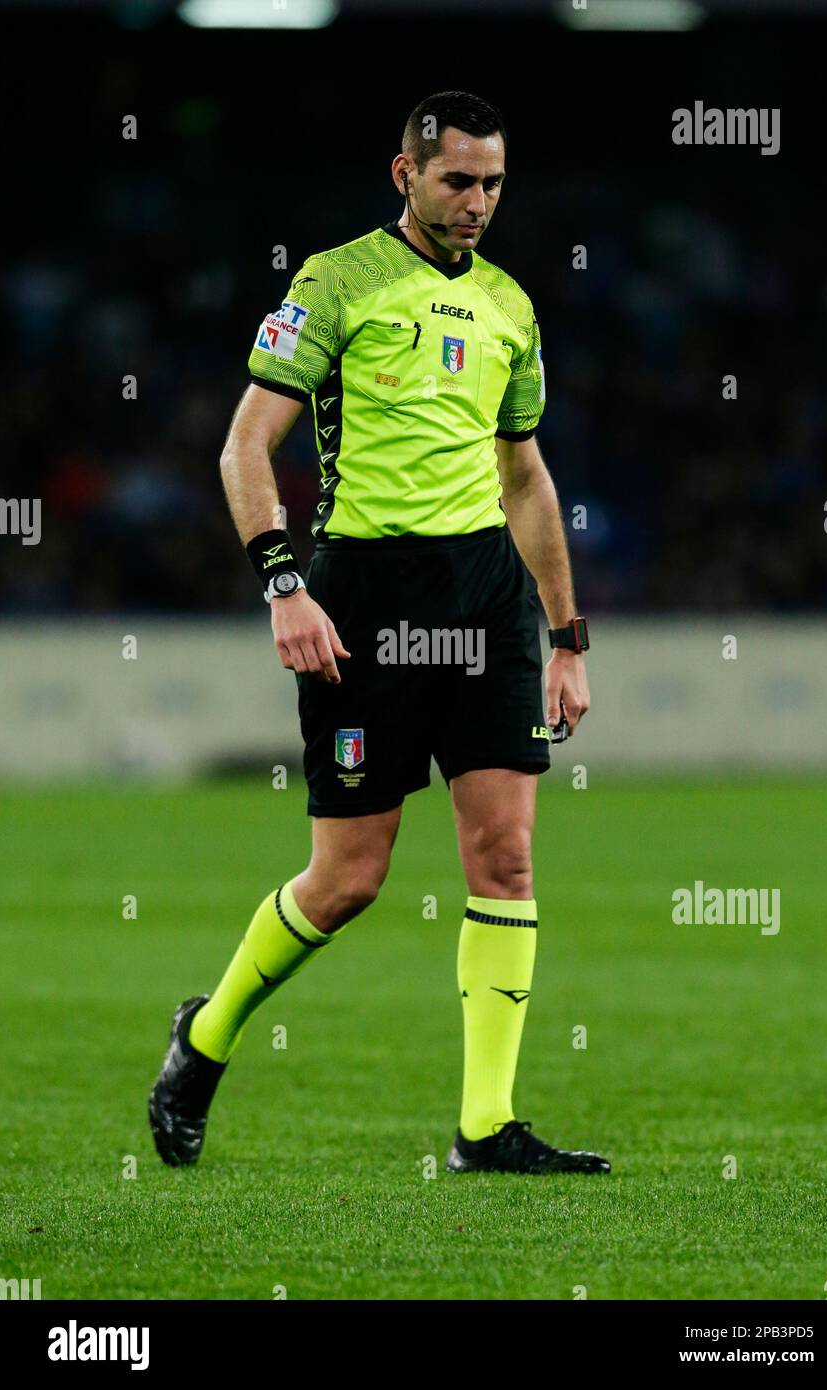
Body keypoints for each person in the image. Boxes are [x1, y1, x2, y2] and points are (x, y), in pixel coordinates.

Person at [149, 90, 610, 1177]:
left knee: (503, 855)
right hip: (363, 597)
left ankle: (485, 1127)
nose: (478, 203)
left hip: (486, 596)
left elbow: (525, 476)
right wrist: (283, 584)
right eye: (458, 180)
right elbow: (244, 448)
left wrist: (566, 634)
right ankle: (203, 1035)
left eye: (493, 183)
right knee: (349, 877)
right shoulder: (333, 281)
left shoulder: (508, 305)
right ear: (403, 175)